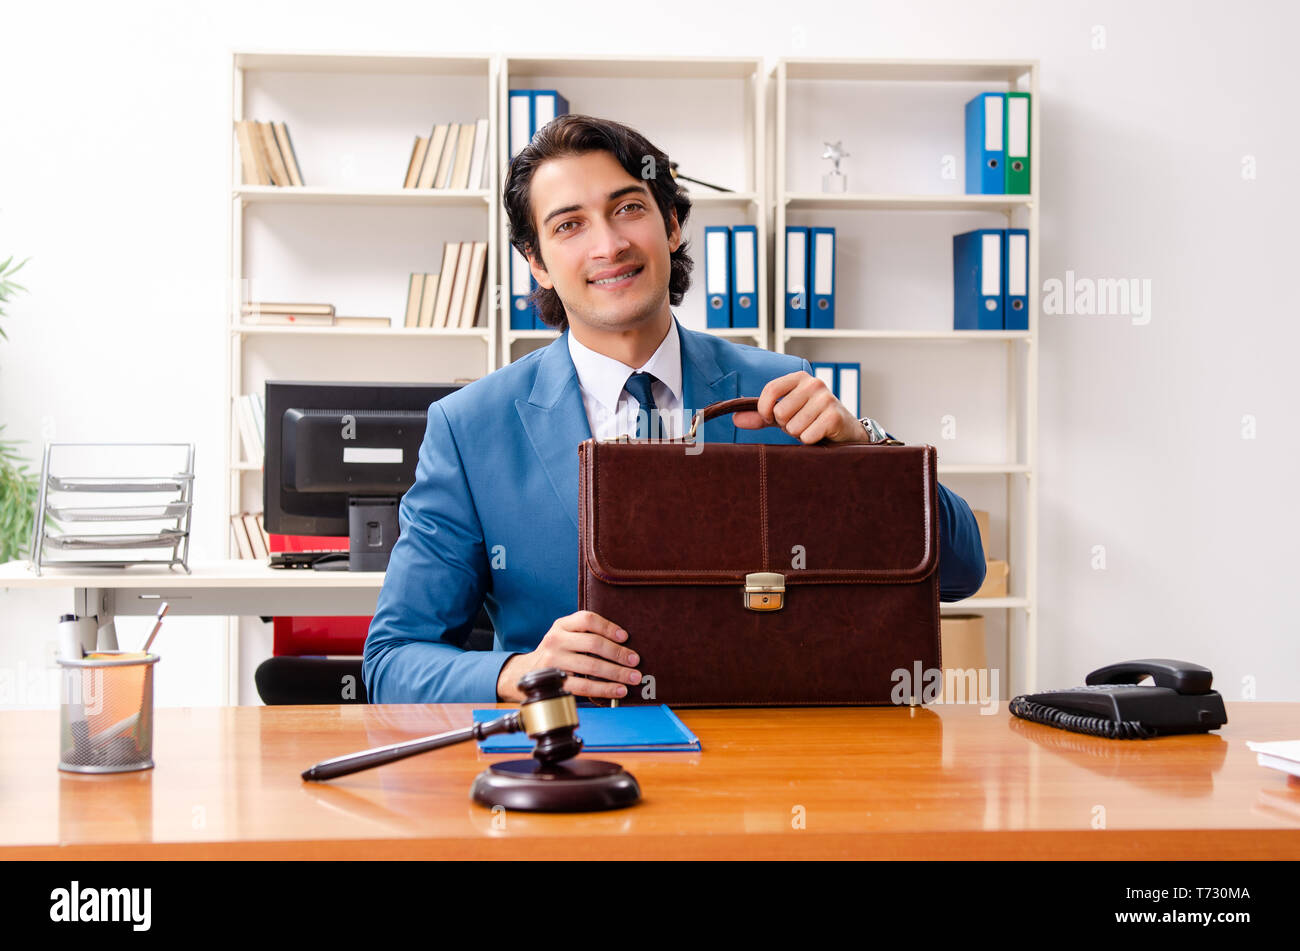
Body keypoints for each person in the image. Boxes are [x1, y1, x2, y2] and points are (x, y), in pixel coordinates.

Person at [363, 115, 986, 704]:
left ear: (672, 224)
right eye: (569, 225)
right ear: (537, 263)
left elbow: (962, 571)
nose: (608, 245)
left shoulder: (781, 387)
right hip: (581, 759)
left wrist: (865, 448)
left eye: (628, 209)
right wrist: (520, 671)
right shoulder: (471, 428)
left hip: (770, 761)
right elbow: (391, 661)